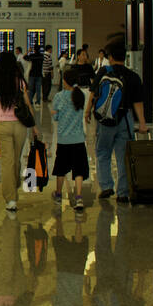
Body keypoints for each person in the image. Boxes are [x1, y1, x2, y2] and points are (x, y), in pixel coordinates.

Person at [89, 40, 148, 204]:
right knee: (123, 156)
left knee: (102, 152)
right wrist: (142, 122)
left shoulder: (103, 71)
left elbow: (93, 93)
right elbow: (138, 102)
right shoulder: (133, 76)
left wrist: (88, 112)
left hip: (105, 118)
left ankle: (106, 185)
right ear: (125, 57)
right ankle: (123, 192)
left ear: (111, 57)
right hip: (125, 119)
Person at [0, 50, 42, 211]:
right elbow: (27, 104)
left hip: (3, 126)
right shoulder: (20, 81)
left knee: (7, 162)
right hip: (20, 126)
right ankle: (14, 185)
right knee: (15, 160)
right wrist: (34, 125)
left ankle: (11, 200)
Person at [50, 67, 90, 211]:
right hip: (78, 139)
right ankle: (79, 197)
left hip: (64, 140)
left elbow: (55, 116)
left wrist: (55, 113)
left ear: (65, 81)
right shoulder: (81, 95)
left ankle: (59, 194)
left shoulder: (59, 97)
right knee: (79, 169)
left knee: (61, 168)